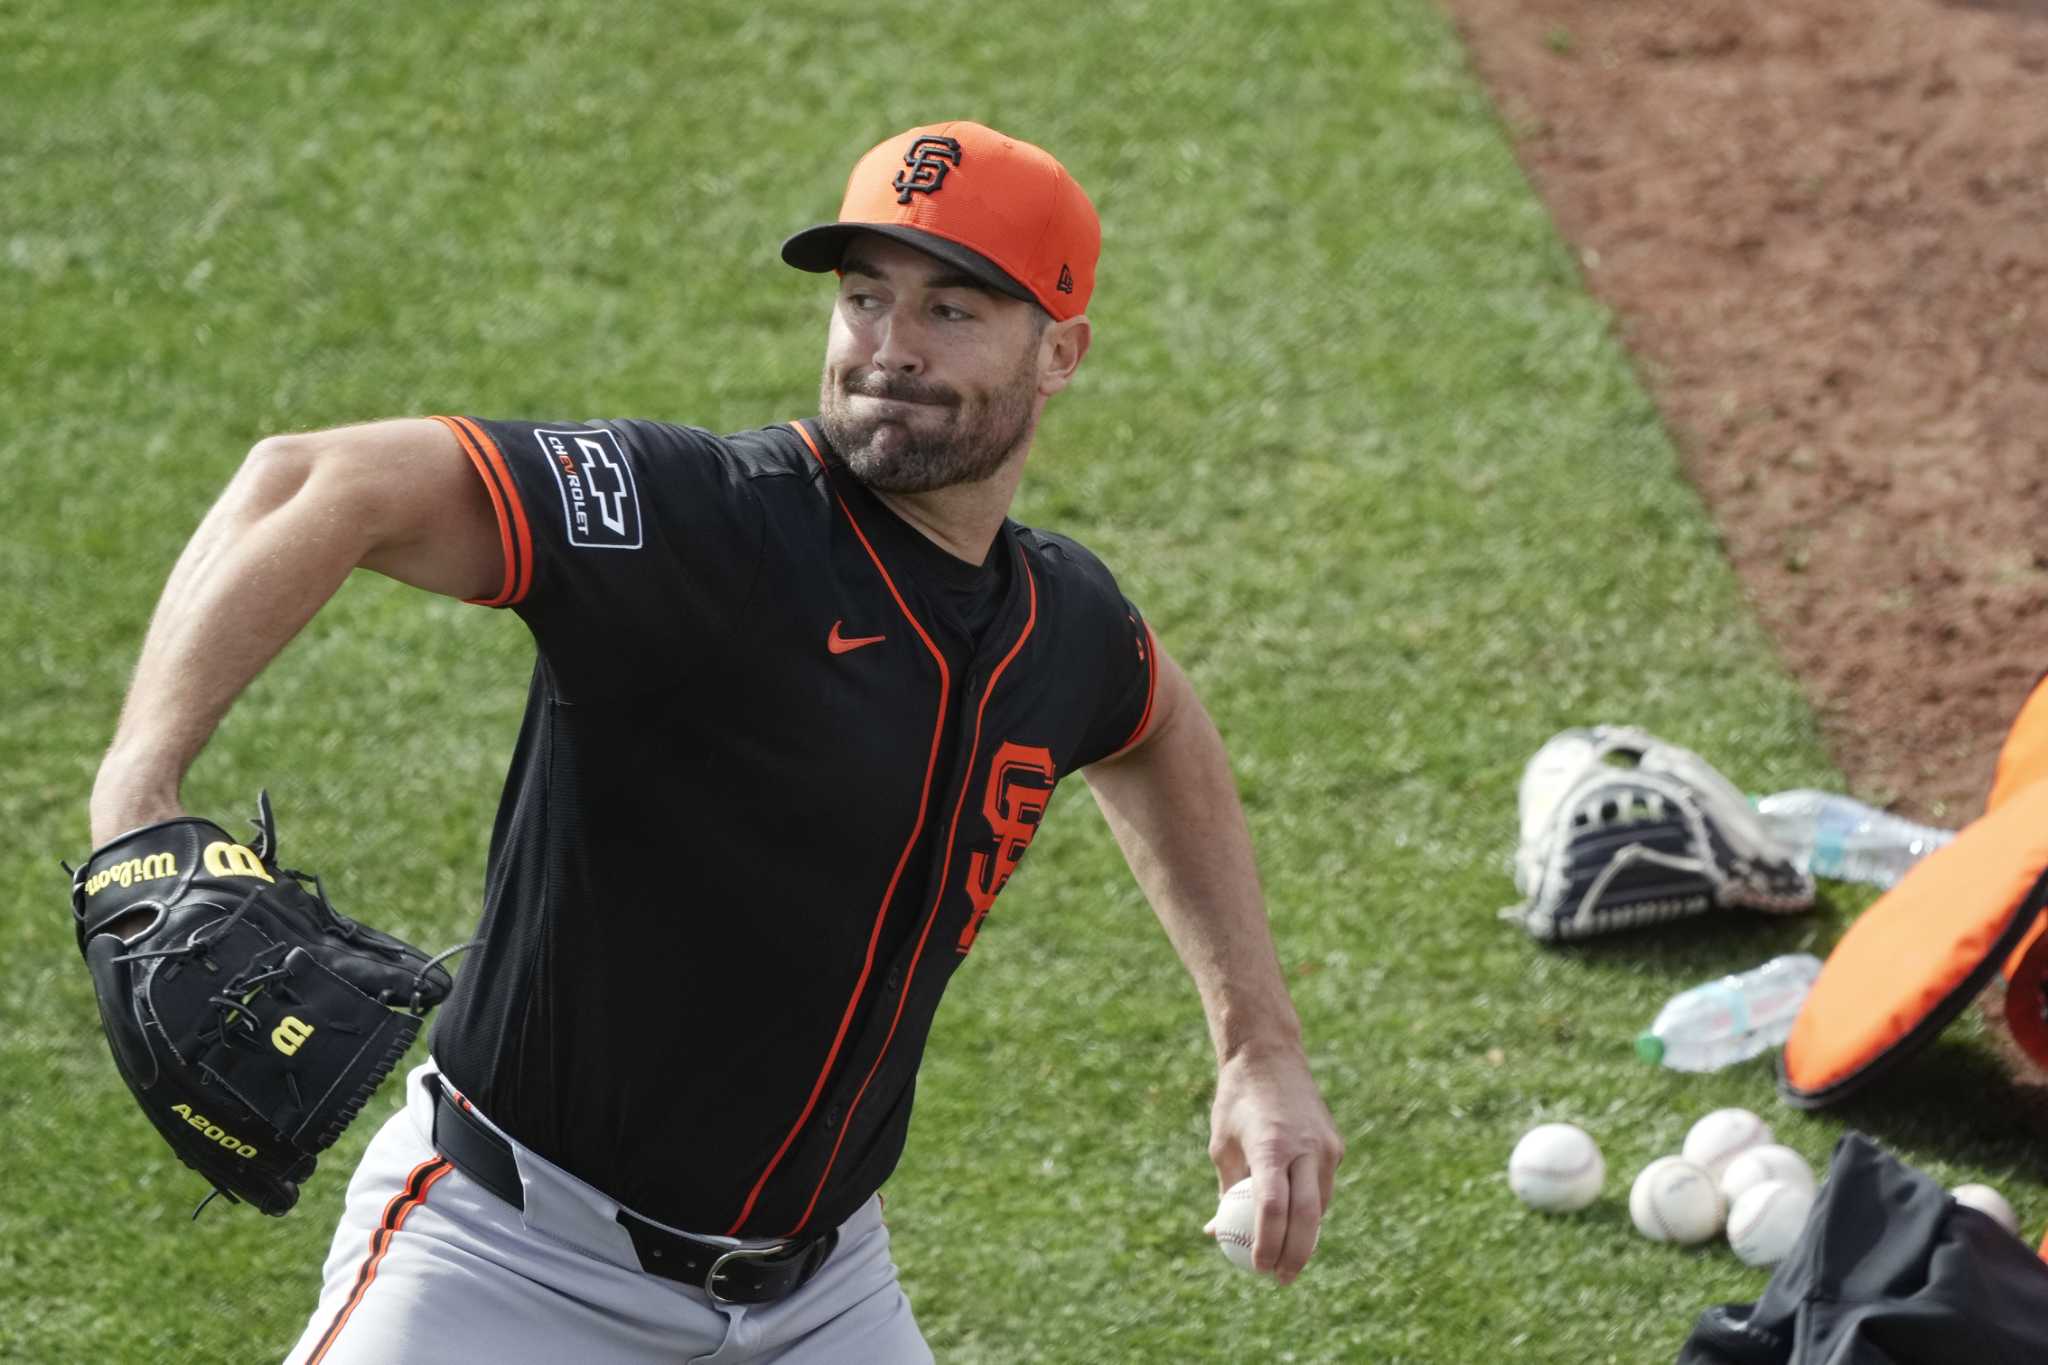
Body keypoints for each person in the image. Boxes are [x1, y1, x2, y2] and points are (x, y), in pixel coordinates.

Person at [87, 120, 1343, 1364]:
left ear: (1058, 351)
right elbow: (313, 482)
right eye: (864, 299)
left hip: (824, 1298)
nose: (888, 350)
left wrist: (1258, 1048)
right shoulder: (708, 527)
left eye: (951, 311)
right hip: (510, 1268)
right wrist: (138, 802)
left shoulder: (1056, 621)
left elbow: (1154, 721)